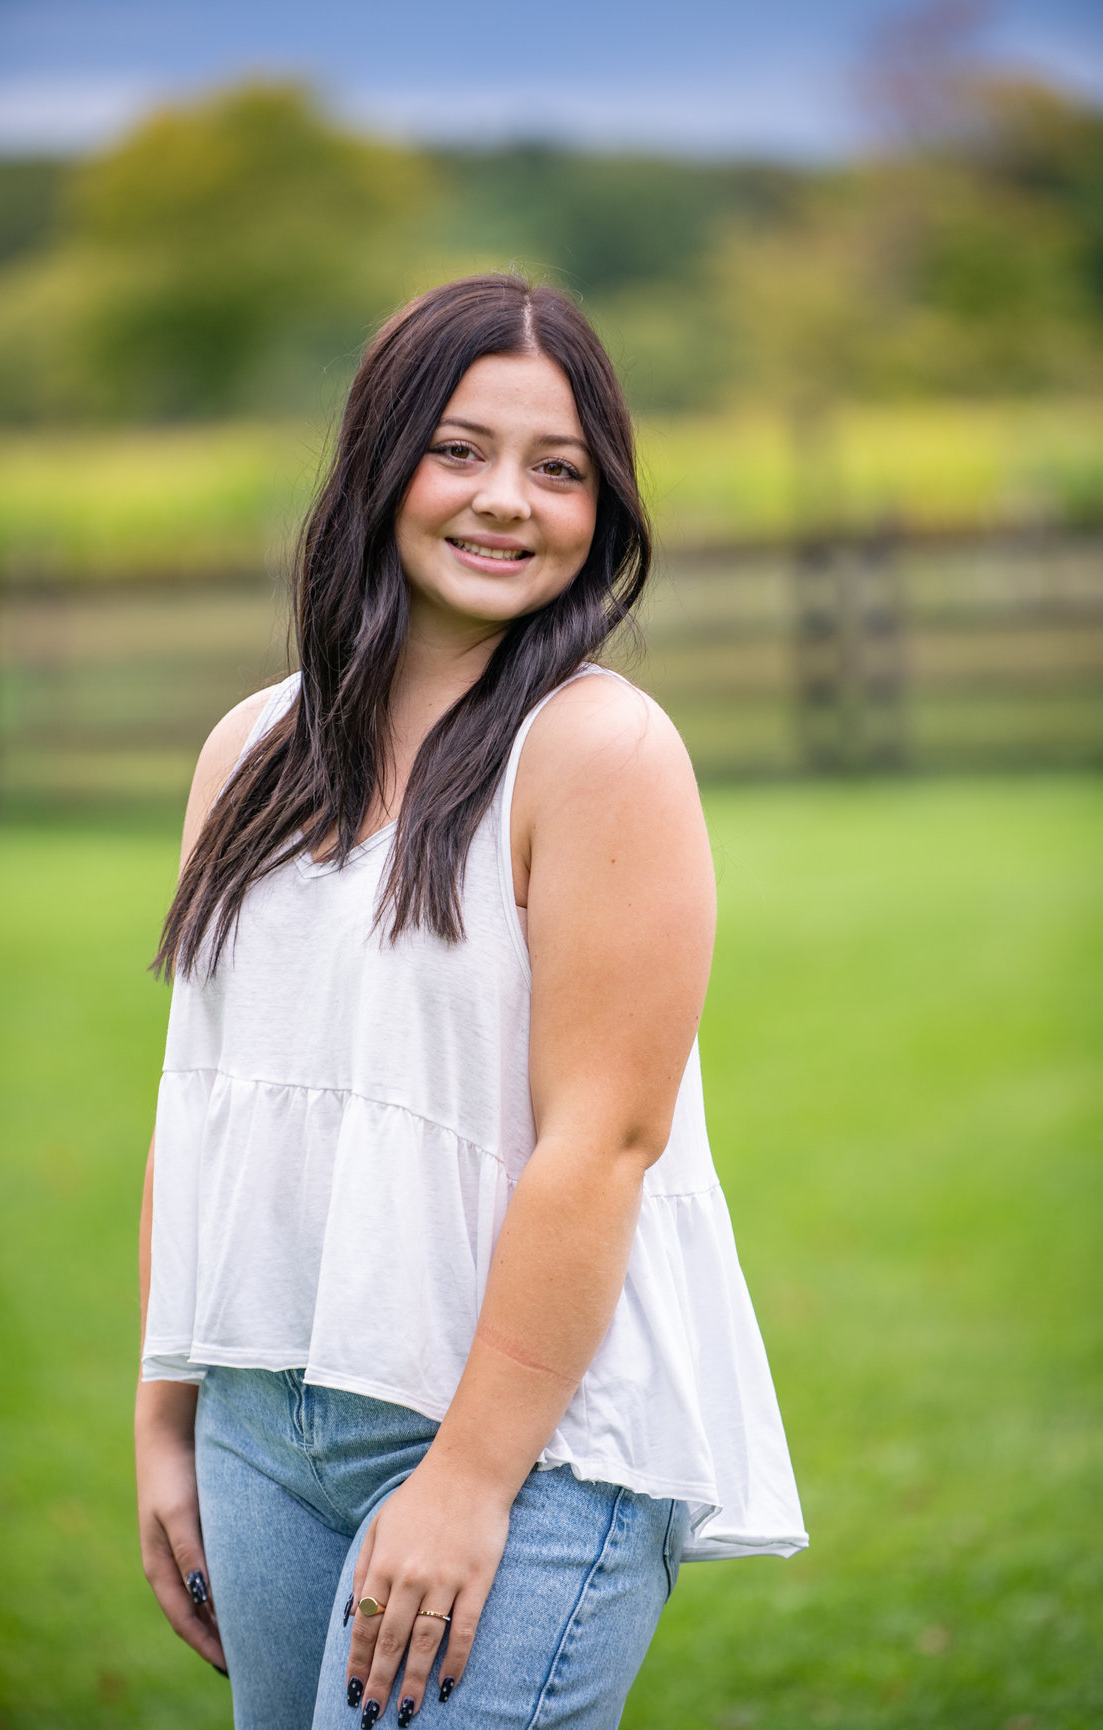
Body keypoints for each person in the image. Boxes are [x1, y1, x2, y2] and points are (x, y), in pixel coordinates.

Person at [135, 273, 806, 1730]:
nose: (507, 499)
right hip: (260, 1422)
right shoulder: (247, 749)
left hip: (527, 1439)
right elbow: (204, 1099)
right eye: (460, 450)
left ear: (601, 508)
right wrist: (166, 1412)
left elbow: (600, 1145)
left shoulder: (600, 751)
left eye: (558, 469)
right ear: (379, 463)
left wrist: (468, 1477)